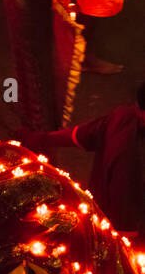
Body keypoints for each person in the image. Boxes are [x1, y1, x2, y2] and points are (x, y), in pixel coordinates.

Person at [20, 80, 145, 239]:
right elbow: (84, 135)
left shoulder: (124, 119)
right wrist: (41, 139)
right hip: (108, 226)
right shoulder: (123, 121)